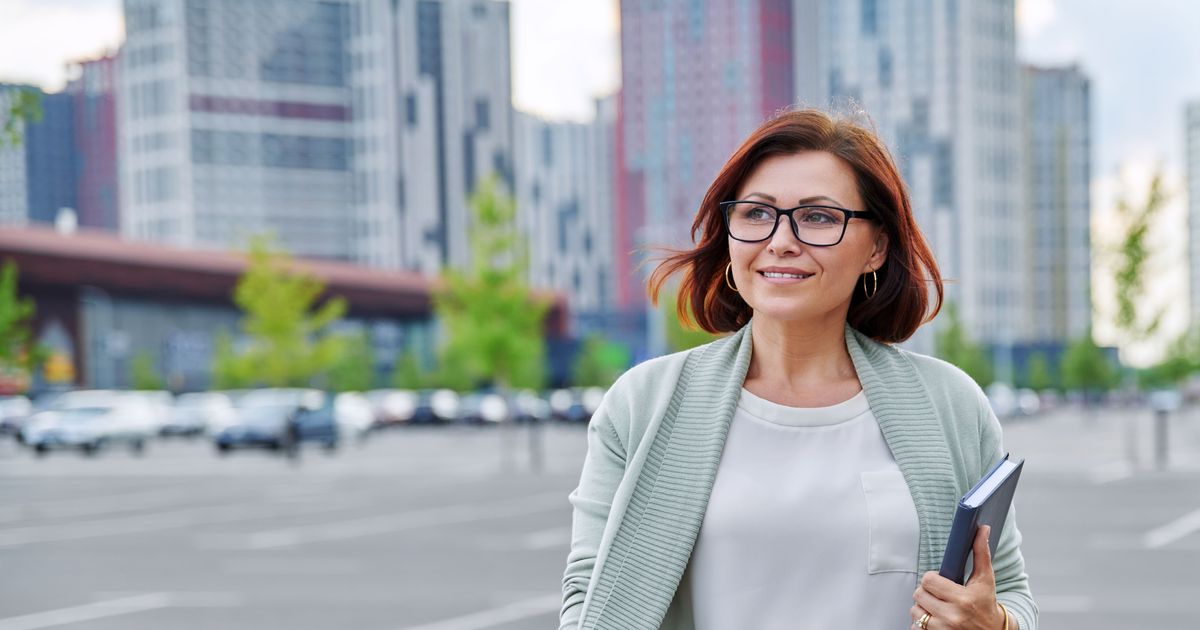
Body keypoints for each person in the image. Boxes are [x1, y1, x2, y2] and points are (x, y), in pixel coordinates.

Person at [559, 108, 1037, 630]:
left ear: (876, 247)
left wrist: (996, 625)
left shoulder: (949, 403)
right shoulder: (644, 402)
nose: (780, 239)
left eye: (818, 217)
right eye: (756, 214)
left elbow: (1008, 589)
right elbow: (590, 596)